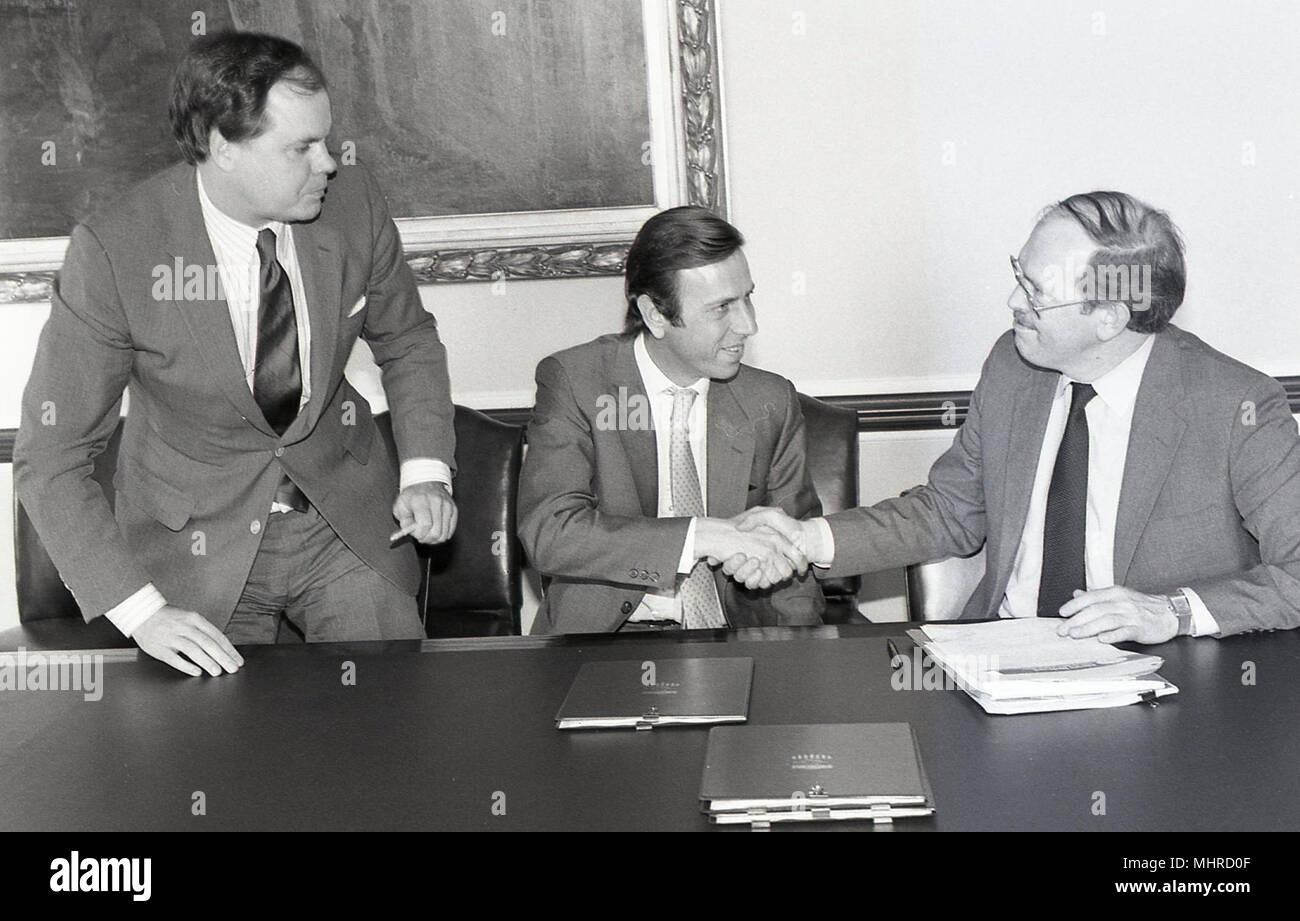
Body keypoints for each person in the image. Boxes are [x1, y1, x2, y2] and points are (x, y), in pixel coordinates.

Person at [13, 31, 458, 676]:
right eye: (301, 148)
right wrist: (141, 612)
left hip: (346, 525)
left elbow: (409, 339)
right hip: (195, 546)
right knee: (222, 765)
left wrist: (425, 471)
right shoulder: (117, 251)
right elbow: (50, 457)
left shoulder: (354, 206)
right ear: (223, 147)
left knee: (390, 735)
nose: (329, 163)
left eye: (326, 140)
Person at [740, 191, 1300, 644]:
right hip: (1005, 657)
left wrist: (1170, 612)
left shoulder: (1239, 408)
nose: (1013, 300)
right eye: (1019, 274)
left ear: (1108, 316)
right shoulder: (1015, 366)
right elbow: (949, 512)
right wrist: (808, 537)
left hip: (1165, 680)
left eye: (1035, 292)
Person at [518, 206, 825, 633]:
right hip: (605, 641)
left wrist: (799, 655)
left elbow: (794, 549)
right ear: (655, 314)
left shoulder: (769, 399)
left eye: (748, 297)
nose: (749, 325)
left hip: (733, 635)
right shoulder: (577, 382)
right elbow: (550, 532)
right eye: (722, 308)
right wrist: (700, 536)